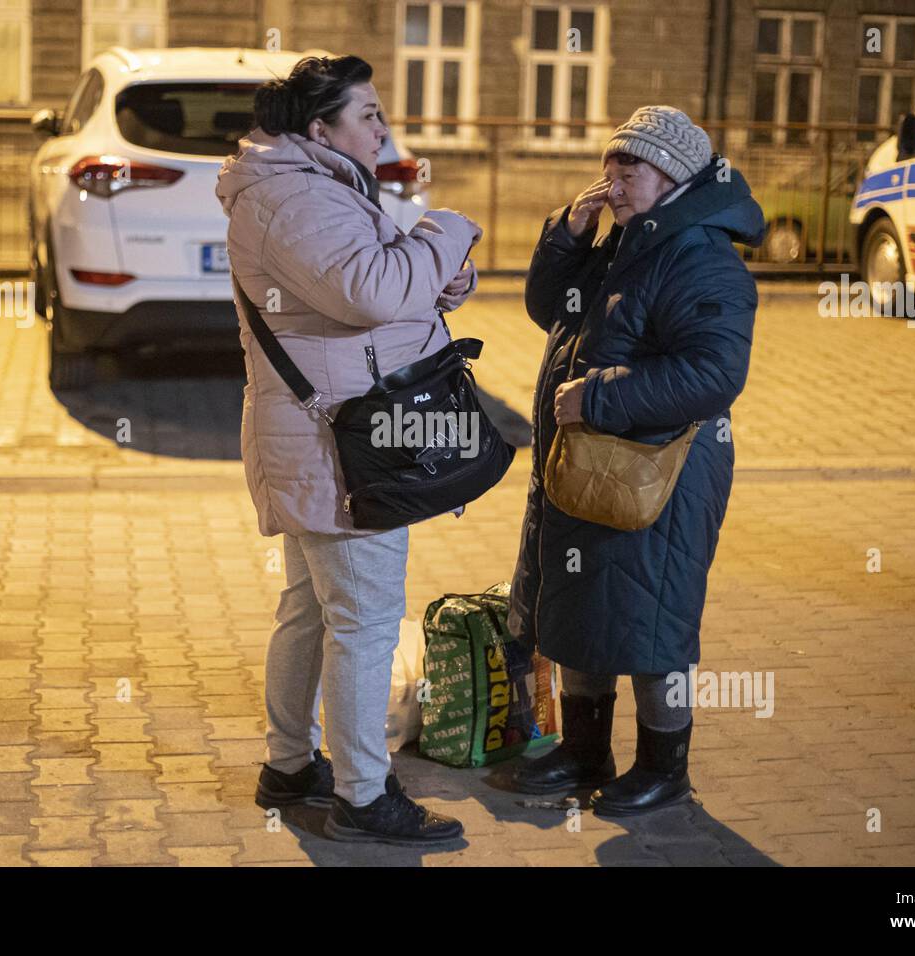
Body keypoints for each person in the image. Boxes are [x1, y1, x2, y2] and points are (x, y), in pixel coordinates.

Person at [215, 55, 481, 844]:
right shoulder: (295, 195)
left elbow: (353, 294)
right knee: (363, 619)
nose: (383, 129)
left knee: (309, 609)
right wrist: (445, 231)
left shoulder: (304, 187)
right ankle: (365, 798)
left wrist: (432, 279)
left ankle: (290, 766)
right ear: (317, 128)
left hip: (320, 431)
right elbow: (366, 290)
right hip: (339, 442)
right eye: (367, 115)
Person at [507, 106, 765, 815]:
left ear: (673, 178)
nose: (614, 184)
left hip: (665, 471)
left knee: (656, 624)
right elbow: (551, 311)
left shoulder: (701, 257)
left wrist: (597, 397)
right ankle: (585, 751)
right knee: (588, 609)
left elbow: (714, 372)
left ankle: (664, 766)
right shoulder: (627, 241)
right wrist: (565, 240)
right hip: (593, 464)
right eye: (610, 168)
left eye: (632, 171)